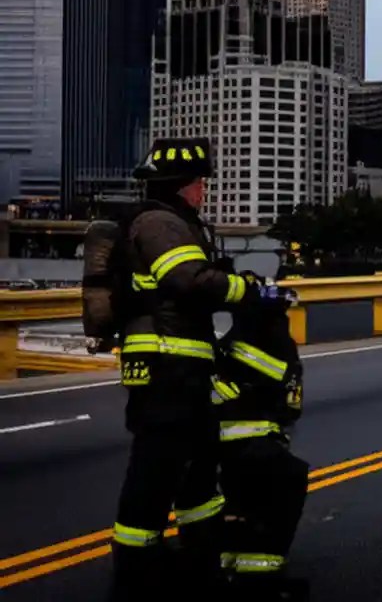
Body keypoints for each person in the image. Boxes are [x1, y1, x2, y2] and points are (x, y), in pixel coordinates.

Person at [110, 138, 260, 601]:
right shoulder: (159, 223)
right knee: (154, 474)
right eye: (199, 183)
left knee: (196, 470)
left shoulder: (175, 222)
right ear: (181, 185)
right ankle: (136, 573)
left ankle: (201, 560)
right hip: (165, 367)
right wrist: (246, 289)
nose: (203, 191)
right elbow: (187, 281)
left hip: (184, 367)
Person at [212, 284, 311, 600]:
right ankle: (260, 578)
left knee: (235, 505)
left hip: (216, 444)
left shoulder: (224, 346)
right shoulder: (280, 348)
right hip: (259, 442)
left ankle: (227, 565)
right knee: (276, 499)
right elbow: (292, 406)